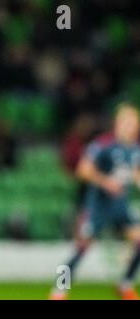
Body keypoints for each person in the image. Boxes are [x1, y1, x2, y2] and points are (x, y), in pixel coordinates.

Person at [50, 103, 140, 300]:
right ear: (118, 123)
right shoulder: (103, 145)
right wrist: (105, 181)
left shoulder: (135, 149)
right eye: (127, 122)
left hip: (120, 206)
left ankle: (125, 284)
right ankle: (59, 289)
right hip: (98, 206)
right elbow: (83, 170)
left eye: (134, 123)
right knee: (81, 248)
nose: (131, 127)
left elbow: (134, 173)